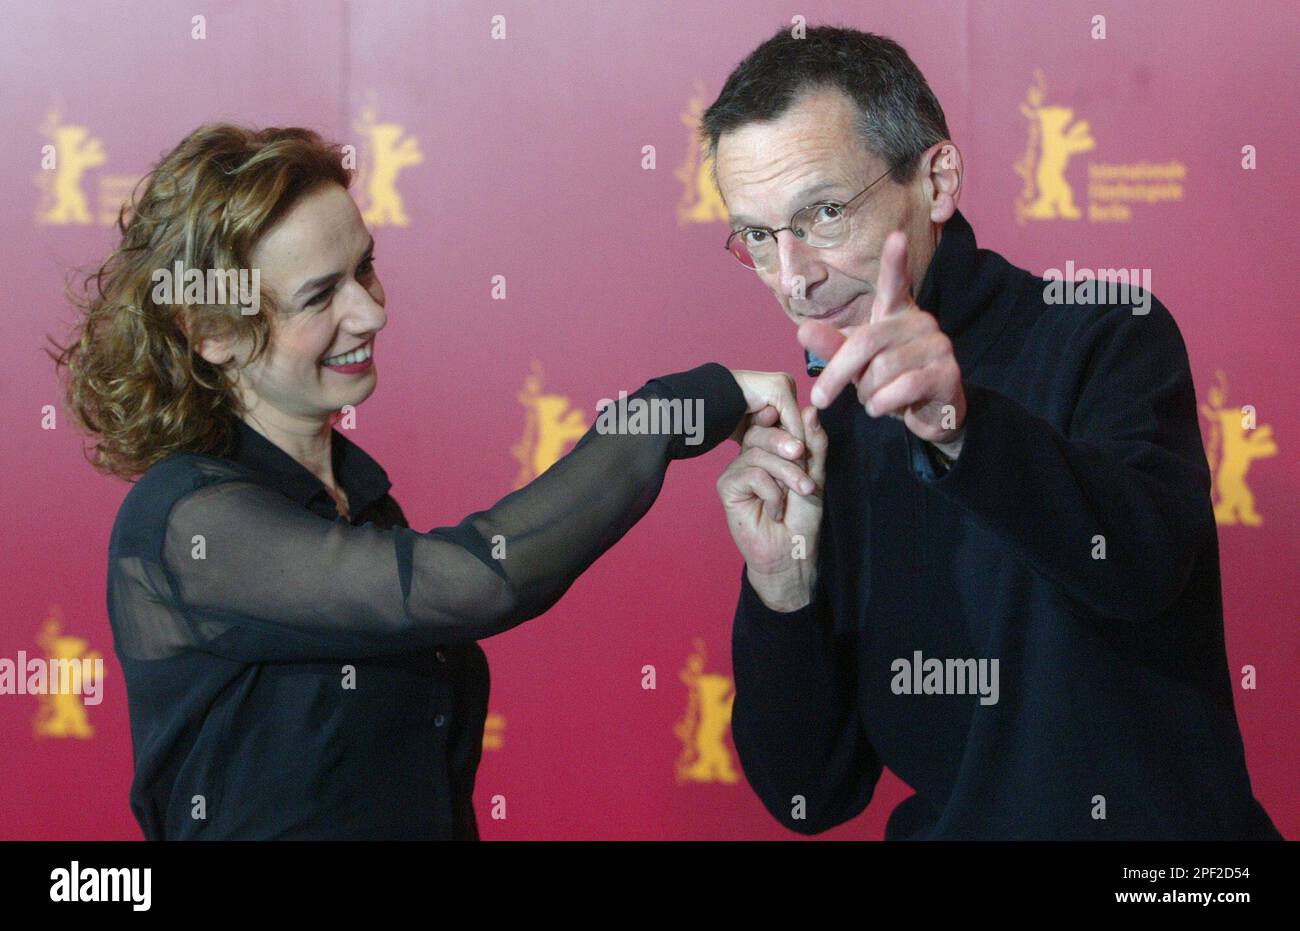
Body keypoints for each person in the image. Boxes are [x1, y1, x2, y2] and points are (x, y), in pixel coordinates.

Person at [49, 123, 809, 839]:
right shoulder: (189, 524)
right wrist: (674, 409)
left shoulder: (361, 506)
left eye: (365, 269)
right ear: (211, 330)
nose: (369, 312)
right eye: (320, 295)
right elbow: (483, 577)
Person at [707, 26, 1282, 840]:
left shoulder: (1106, 333)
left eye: (824, 213)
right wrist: (781, 588)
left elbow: (1143, 568)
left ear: (936, 181)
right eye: (759, 237)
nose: (793, 275)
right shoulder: (829, 430)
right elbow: (811, 790)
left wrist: (959, 431)